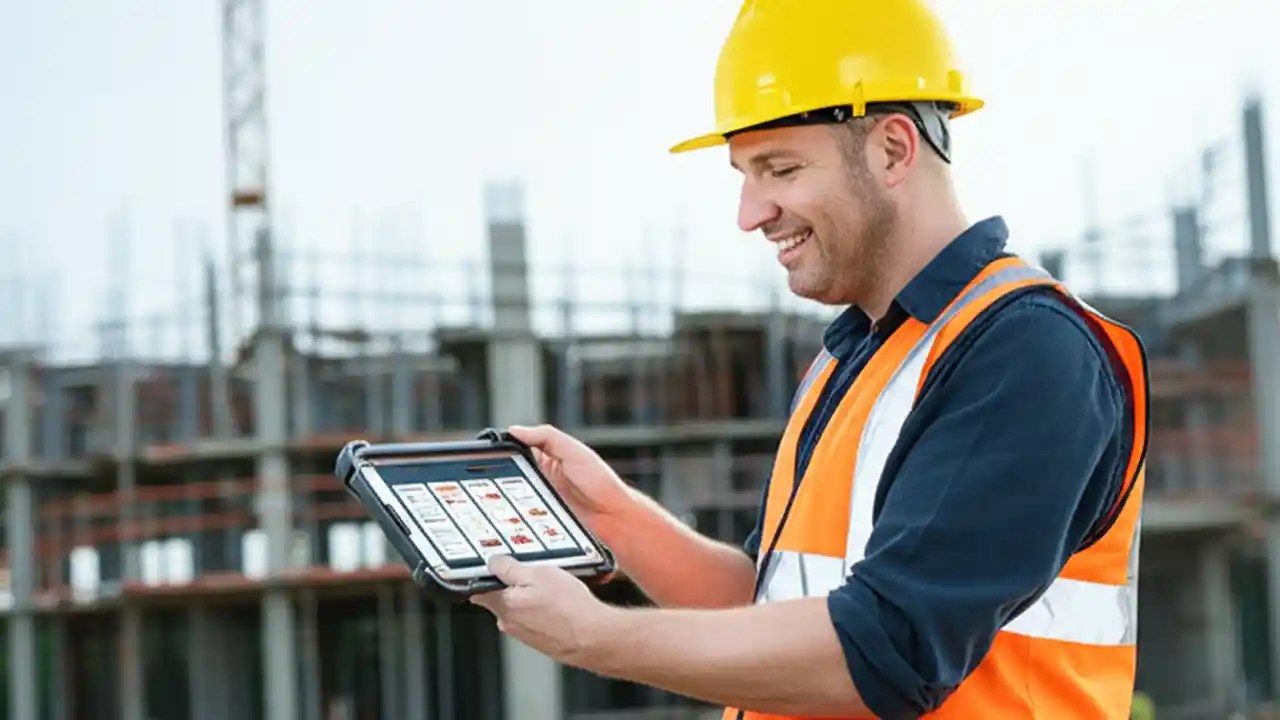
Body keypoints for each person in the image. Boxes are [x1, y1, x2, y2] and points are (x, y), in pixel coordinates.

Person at [470, 1, 1150, 718]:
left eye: (780, 168)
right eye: (743, 173)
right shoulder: (853, 359)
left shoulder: (1027, 351)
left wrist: (596, 638)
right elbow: (771, 605)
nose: (749, 212)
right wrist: (615, 519)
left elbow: (885, 647)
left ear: (893, 149)